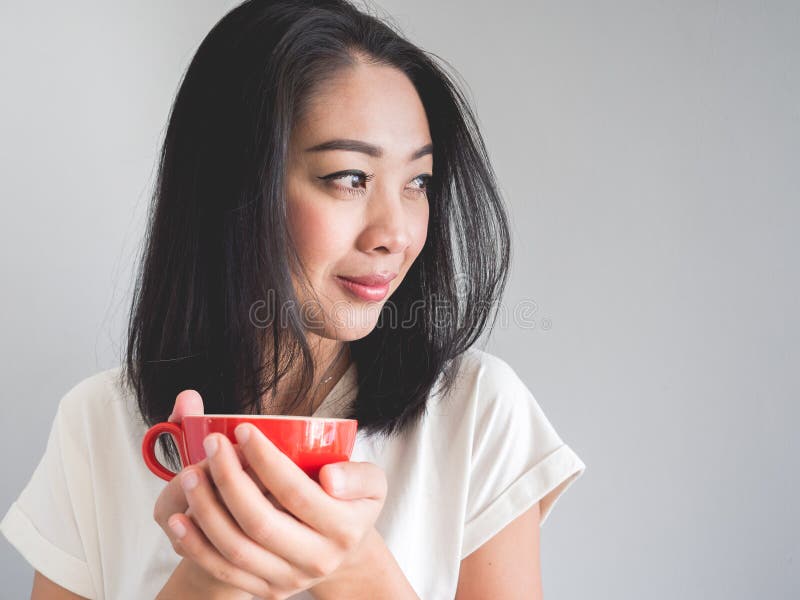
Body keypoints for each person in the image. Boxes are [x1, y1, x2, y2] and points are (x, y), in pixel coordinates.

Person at [0, 0, 587, 598]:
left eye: (418, 182)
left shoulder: (478, 415)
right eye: (350, 178)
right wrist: (206, 577)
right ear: (234, 188)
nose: (396, 235)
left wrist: (355, 568)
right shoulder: (98, 424)